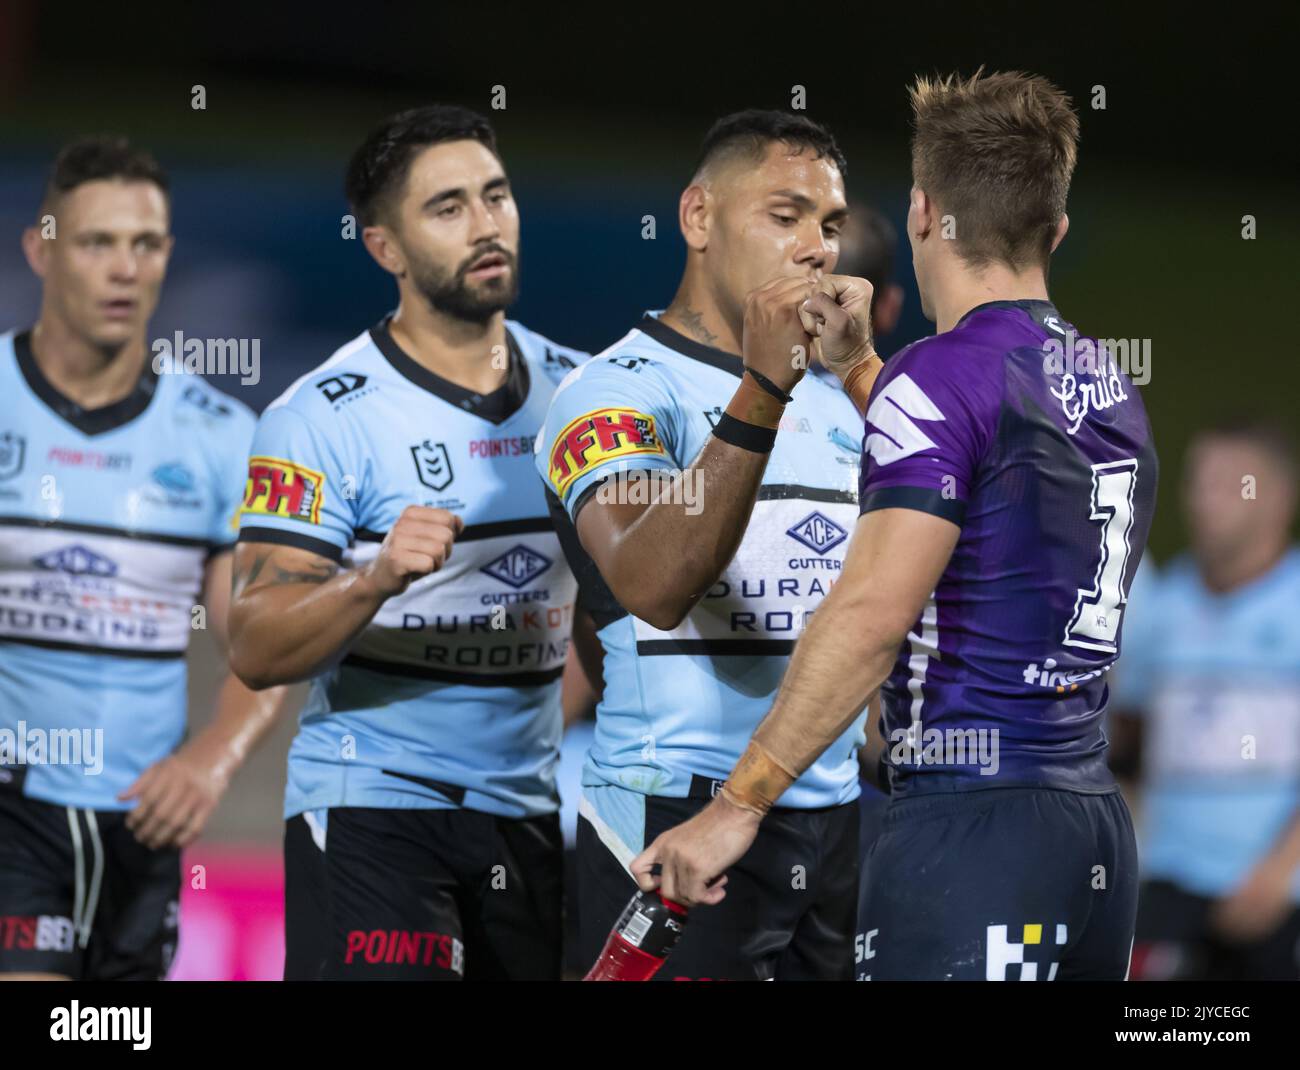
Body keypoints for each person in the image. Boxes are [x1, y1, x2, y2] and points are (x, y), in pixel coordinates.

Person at [635, 70, 1158, 983]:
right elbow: (993, 478)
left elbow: (872, 614)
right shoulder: (1107, 383)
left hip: (971, 834)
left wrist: (738, 807)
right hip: (1089, 836)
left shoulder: (939, 374)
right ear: (1056, 229)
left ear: (922, 214)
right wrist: (861, 368)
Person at [227, 105, 590, 981]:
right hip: (372, 813)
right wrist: (373, 578)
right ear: (384, 247)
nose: (485, 224)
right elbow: (253, 641)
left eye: (496, 196)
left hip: (528, 816)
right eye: (448, 207)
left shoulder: (583, 395)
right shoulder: (320, 418)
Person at [536, 109, 883, 980]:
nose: (816, 249)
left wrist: (859, 375)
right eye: (785, 215)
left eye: (830, 225)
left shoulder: (838, 399)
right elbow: (654, 583)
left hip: (833, 818)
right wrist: (763, 388)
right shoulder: (617, 393)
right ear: (697, 219)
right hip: (677, 823)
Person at [0, 137, 286, 980]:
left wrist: (214, 755)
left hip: (141, 827)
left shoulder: (218, 435)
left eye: (147, 244)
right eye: (97, 242)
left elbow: (265, 642)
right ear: (41, 251)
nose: (126, 268)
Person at [1111, 420, 1300, 981]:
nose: (1205, 498)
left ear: (1279, 498)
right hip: (1169, 885)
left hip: (1277, 897)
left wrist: (1277, 873)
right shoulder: (1160, 608)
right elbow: (1126, 740)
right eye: (1197, 481)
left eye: (1230, 483)